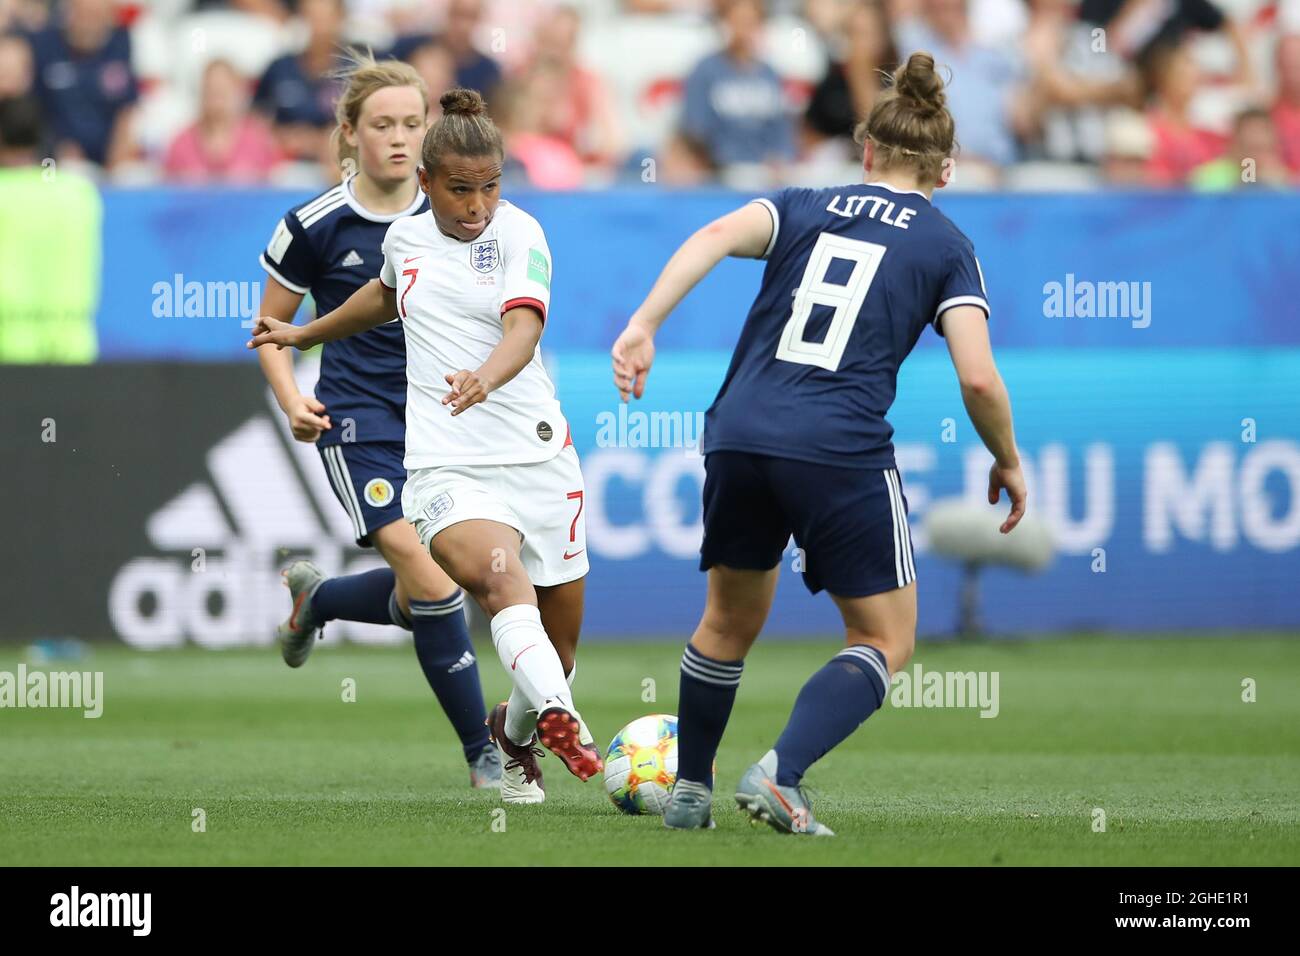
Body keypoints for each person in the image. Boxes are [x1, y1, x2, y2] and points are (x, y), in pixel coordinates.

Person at [611, 51, 1027, 835]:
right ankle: (780, 774)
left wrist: (642, 325)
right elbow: (977, 378)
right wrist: (1005, 455)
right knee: (884, 637)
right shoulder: (947, 245)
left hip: (737, 429)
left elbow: (711, 234)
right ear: (946, 169)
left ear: (865, 150)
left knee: (727, 622)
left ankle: (690, 792)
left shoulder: (803, 203)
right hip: (837, 444)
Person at [250, 88, 602, 805]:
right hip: (445, 465)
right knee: (498, 586)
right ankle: (553, 727)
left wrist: (486, 377)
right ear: (428, 185)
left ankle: (516, 733)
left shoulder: (522, 233)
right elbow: (381, 297)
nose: (476, 206)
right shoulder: (403, 238)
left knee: (556, 651)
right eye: (460, 191)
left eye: (489, 188)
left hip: (538, 457)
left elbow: (524, 328)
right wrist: (303, 334)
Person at [253, 56, 500, 791]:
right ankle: (483, 756)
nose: (399, 138)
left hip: (441, 421)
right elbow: (271, 327)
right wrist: (292, 400)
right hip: (357, 421)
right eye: (383, 125)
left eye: (412, 124)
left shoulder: (456, 213)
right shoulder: (314, 225)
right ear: (350, 133)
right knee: (426, 575)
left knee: (439, 581)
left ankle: (319, 599)